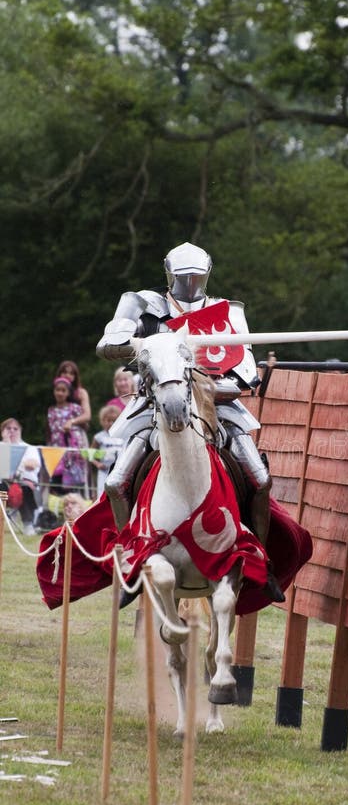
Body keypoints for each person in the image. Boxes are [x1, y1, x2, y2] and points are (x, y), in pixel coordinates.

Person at [96, 241, 283, 602]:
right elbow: (108, 344)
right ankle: (132, 562)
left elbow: (245, 367)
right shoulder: (144, 304)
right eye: (185, 278)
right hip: (154, 406)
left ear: (207, 275)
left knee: (260, 479)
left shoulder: (225, 311)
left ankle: (258, 561)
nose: (192, 284)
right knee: (117, 482)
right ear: (170, 276)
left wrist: (211, 385)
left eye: (197, 277)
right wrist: (130, 341)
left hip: (215, 407)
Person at [47, 376, 89, 495]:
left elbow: (84, 423)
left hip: (73, 451)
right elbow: (52, 430)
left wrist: (71, 424)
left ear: (68, 393)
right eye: (57, 390)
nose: (60, 393)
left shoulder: (74, 408)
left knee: (73, 485)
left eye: (63, 390)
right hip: (57, 451)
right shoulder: (51, 410)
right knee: (57, 484)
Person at [0, 417, 41, 535]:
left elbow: (33, 465)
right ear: (3, 431)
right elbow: (3, 470)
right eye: (8, 428)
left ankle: (28, 524)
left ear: (20, 431)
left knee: (25, 488)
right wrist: (7, 445)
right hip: (3, 484)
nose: (12, 431)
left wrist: (15, 464)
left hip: (23, 483)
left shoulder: (29, 448)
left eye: (15, 428)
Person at [91, 404, 124, 497]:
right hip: (104, 470)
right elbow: (90, 454)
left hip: (119, 470)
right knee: (102, 492)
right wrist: (97, 464)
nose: (111, 423)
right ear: (102, 421)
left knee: (118, 493)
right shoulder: (99, 437)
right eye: (108, 421)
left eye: (114, 421)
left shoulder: (123, 435)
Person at [55, 360, 91, 430]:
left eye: (71, 373)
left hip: (76, 432)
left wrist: (71, 421)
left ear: (75, 376)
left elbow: (87, 415)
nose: (68, 375)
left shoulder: (81, 393)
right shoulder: (55, 391)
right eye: (65, 372)